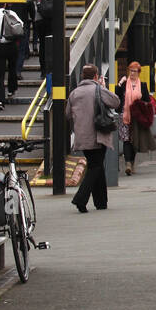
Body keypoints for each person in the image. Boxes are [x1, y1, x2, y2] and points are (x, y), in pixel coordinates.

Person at [66, 64, 121, 212]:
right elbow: (115, 102)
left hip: (81, 136)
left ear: (82, 76)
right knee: (95, 167)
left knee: (96, 166)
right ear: (96, 76)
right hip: (98, 134)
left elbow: (67, 114)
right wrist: (103, 86)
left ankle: (101, 201)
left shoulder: (74, 93)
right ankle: (80, 199)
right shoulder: (98, 89)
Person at [116, 61, 156, 175]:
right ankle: (128, 163)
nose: (132, 73)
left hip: (137, 117)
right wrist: (119, 84)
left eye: (134, 71)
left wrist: (141, 105)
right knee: (126, 140)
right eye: (130, 70)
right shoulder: (124, 84)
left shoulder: (142, 85)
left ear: (139, 72)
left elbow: (147, 101)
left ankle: (132, 162)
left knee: (135, 140)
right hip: (124, 115)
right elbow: (117, 97)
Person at [35, 0, 54, 77]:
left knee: (42, 45)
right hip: (52, 21)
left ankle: (43, 71)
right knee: (52, 46)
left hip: (40, 21)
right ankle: (50, 70)